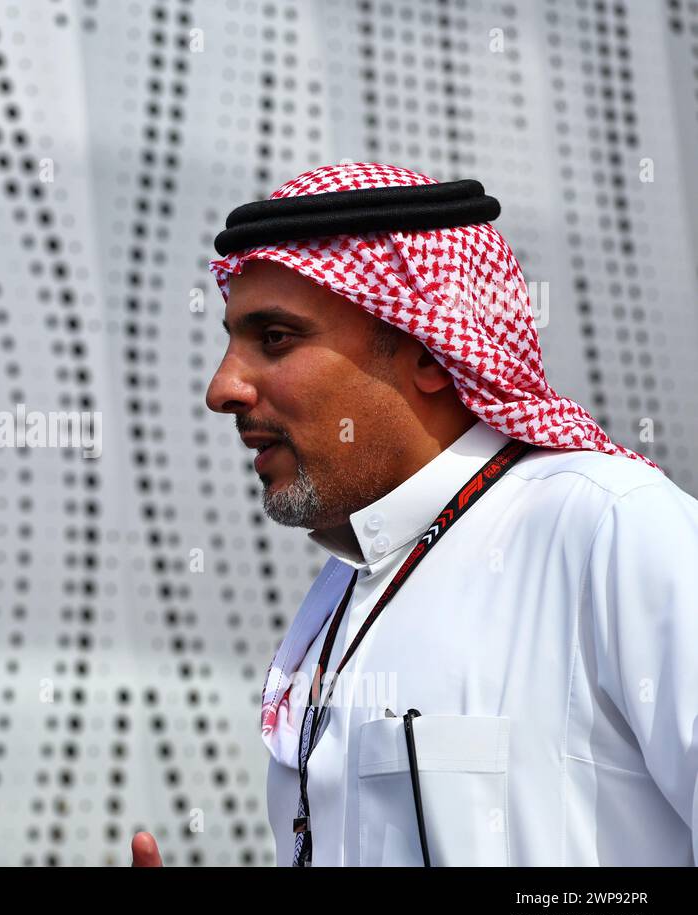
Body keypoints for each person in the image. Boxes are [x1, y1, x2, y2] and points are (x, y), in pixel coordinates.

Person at [133, 161, 698, 866]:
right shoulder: (343, 590)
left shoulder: (611, 530)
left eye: (274, 338)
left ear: (430, 351)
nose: (224, 387)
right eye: (232, 341)